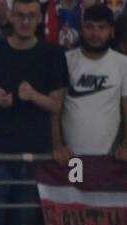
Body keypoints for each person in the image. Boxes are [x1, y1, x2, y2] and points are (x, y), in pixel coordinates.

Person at [0, 0, 66, 225]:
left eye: (31, 16)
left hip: (36, 153)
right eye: (20, 15)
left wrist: (34, 96)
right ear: (11, 16)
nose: (25, 21)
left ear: (39, 19)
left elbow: (56, 105)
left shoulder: (53, 55)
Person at [52, 4, 127, 164]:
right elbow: (55, 109)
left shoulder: (123, 64)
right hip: (70, 158)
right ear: (82, 28)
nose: (95, 33)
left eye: (102, 28)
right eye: (89, 27)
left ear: (112, 31)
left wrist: (126, 146)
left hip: (109, 160)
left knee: (102, 190)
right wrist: (58, 146)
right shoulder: (66, 60)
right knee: (73, 189)